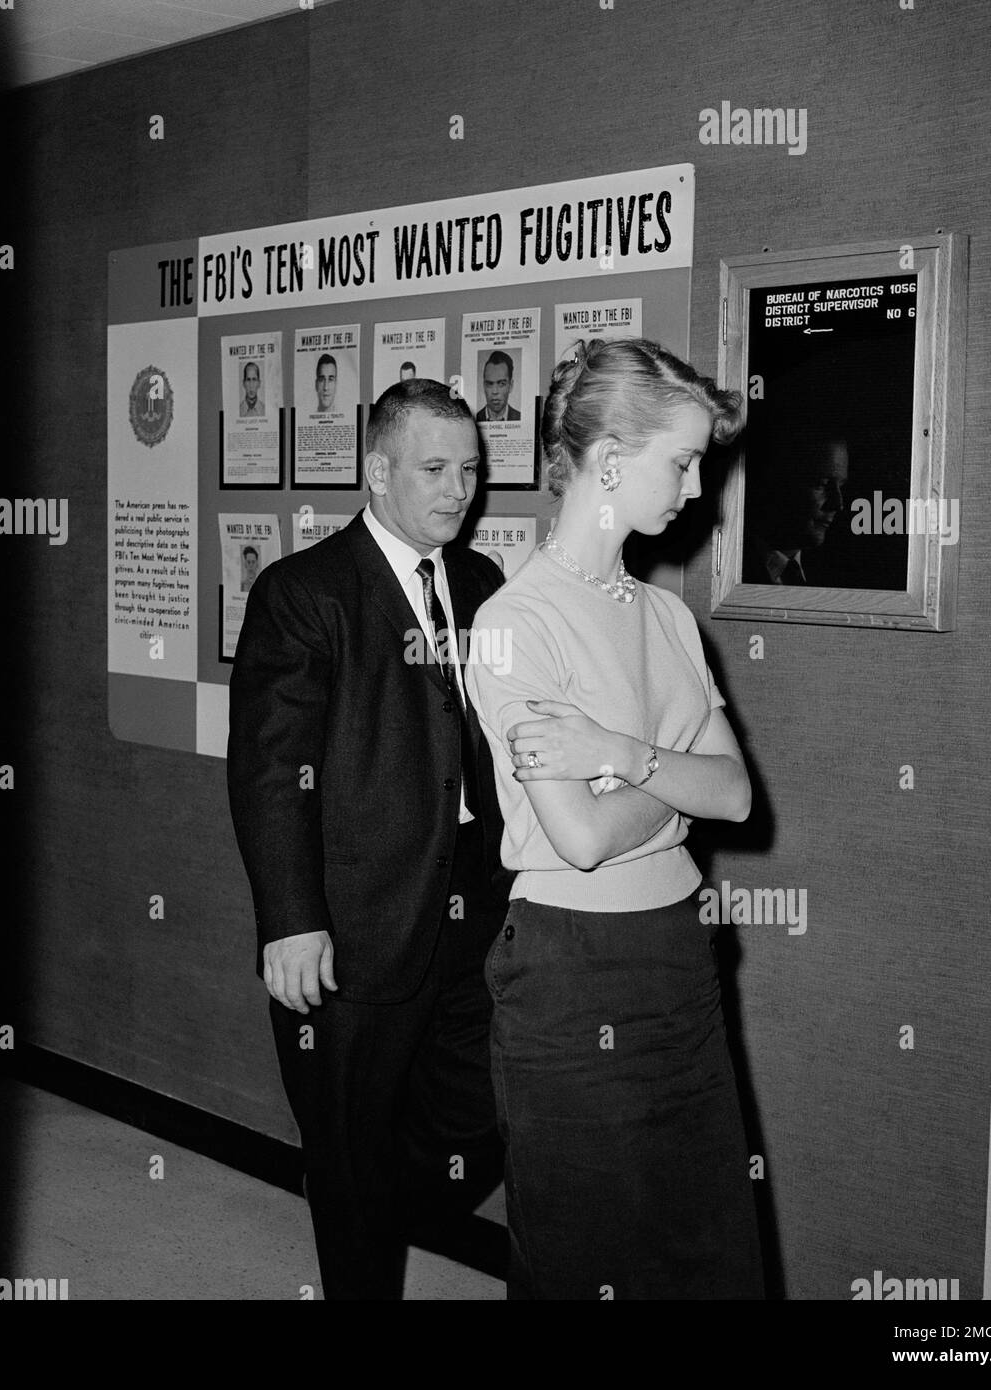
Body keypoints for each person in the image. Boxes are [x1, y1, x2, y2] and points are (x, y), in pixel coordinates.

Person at [465, 337, 764, 1300]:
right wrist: (676, 783)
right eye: (681, 463)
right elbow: (582, 841)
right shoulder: (518, 621)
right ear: (609, 462)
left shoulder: (670, 618)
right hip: (569, 970)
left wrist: (619, 754)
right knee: (588, 1262)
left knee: (708, 1254)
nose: (696, 490)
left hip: (680, 959)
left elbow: (737, 795)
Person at [227, 378, 510, 1300]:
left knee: (484, 1110)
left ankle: (376, 1196)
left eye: (470, 469)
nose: (459, 490)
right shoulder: (305, 592)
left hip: (474, 901)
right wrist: (291, 919)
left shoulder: (479, 582)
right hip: (351, 922)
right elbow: (271, 772)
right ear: (377, 470)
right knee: (347, 1148)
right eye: (435, 468)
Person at [742, 402, 848, 584]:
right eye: (822, 484)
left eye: (841, 485)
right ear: (777, 479)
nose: (838, 504)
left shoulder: (837, 575)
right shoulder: (736, 571)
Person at [475, 351, 521, 422]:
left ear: (511, 386)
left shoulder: (520, 418)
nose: (495, 391)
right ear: (484, 386)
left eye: (501, 384)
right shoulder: (473, 420)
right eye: (490, 384)